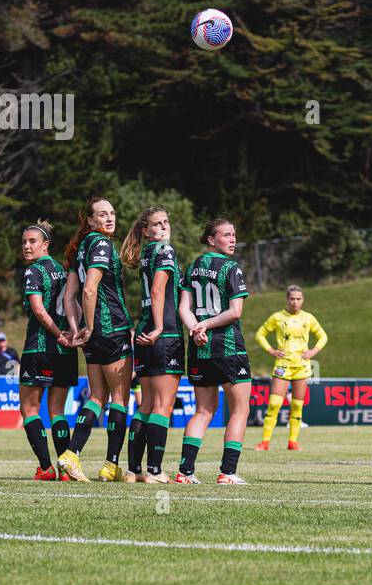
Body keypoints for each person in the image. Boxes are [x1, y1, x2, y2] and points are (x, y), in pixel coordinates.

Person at [60, 196, 134, 482]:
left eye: (112, 213)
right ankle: (110, 465)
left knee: (97, 396)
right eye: (102, 214)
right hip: (110, 327)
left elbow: (69, 297)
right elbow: (89, 291)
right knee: (119, 398)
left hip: (93, 333)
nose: (109, 218)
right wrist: (89, 326)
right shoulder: (101, 244)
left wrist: (77, 328)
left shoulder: (79, 248)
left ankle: (71, 454)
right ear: (90, 220)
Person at [176, 218, 253, 484]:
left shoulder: (194, 266)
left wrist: (195, 329)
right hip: (228, 347)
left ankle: (185, 472)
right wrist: (205, 325)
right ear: (211, 239)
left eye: (234, 234)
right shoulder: (231, 267)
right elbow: (235, 311)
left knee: (203, 410)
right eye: (226, 235)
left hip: (199, 348)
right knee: (240, 410)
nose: (232, 239)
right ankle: (228, 472)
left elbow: (183, 308)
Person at [121, 205, 185, 483]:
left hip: (144, 331)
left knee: (145, 405)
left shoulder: (147, 253)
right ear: (145, 231)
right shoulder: (165, 251)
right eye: (156, 224)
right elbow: (159, 290)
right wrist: (160, 326)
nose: (163, 227)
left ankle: (133, 470)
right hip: (163, 333)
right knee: (162, 406)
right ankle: (155, 471)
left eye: (166, 222)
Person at [16, 220, 80, 480]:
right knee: (57, 411)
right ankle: (65, 470)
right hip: (65, 350)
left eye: (32, 241)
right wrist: (72, 334)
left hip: (41, 347)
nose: (26, 246)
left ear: (45, 244)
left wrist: (57, 335)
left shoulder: (34, 271)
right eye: (24, 242)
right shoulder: (63, 271)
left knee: (29, 409)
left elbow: (39, 311)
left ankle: (45, 468)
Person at [254, 285, 327, 452]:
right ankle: (265, 442)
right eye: (292, 299)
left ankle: (292, 442)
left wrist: (313, 351)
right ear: (287, 299)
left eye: (298, 299)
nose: (295, 302)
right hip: (282, 365)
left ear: (303, 300)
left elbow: (323, 336)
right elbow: (260, 334)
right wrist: (271, 350)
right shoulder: (277, 317)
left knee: (297, 405)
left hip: (301, 366)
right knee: (274, 403)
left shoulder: (308, 318)